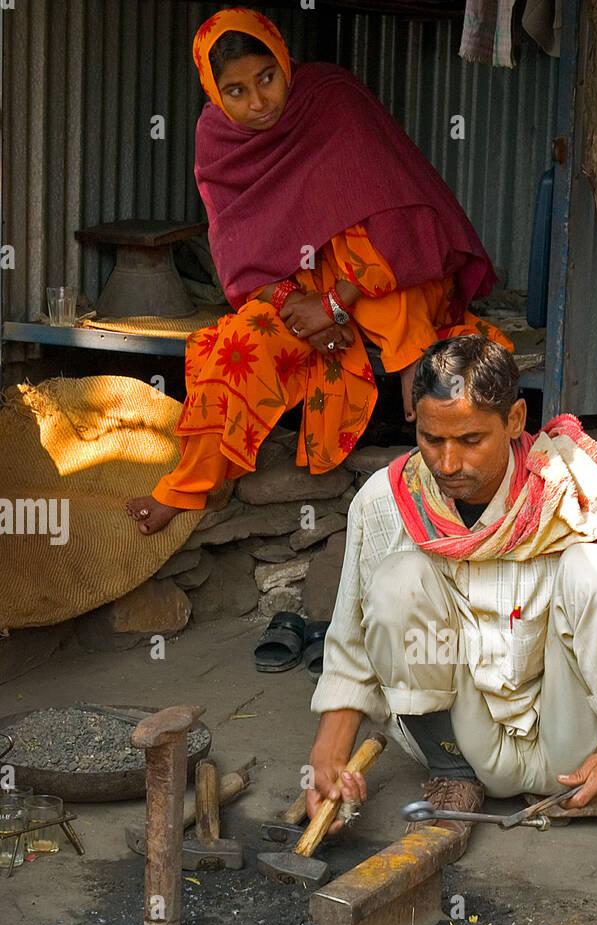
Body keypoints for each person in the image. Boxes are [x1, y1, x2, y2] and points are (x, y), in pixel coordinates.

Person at [305, 337, 597, 908]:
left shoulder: (575, 487)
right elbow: (351, 647)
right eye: (431, 438)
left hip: (579, 748)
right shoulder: (388, 500)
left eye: (471, 440)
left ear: (516, 419)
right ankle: (453, 779)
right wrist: (327, 757)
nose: (447, 463)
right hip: (466, 741)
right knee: (396, 581)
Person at [127, 6, 511, 535]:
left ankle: (412, 366)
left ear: (285, 58)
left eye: (267, 78)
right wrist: (296, 305)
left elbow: (397, 217)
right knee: (237, 350)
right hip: (297, 291)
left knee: (376, 256)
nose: (259, 102)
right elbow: (242, 252)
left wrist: (335, 302)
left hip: (383, 272)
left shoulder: (328, 95)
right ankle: (187, 485)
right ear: (214, 93)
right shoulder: (217, 139)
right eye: (236, 91)